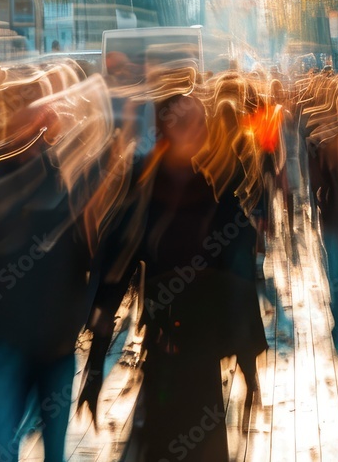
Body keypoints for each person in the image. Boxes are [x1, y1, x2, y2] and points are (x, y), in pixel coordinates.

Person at [82, 88, 266, 462]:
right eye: (191, 123)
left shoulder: (212, 191)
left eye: (201, 123)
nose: (200, 131)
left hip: (200, 353)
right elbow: (115, 279)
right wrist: (94, 367)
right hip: (167, 351)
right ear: (170, 131)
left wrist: (247, 358)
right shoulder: (147, 195)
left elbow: (238, 278)